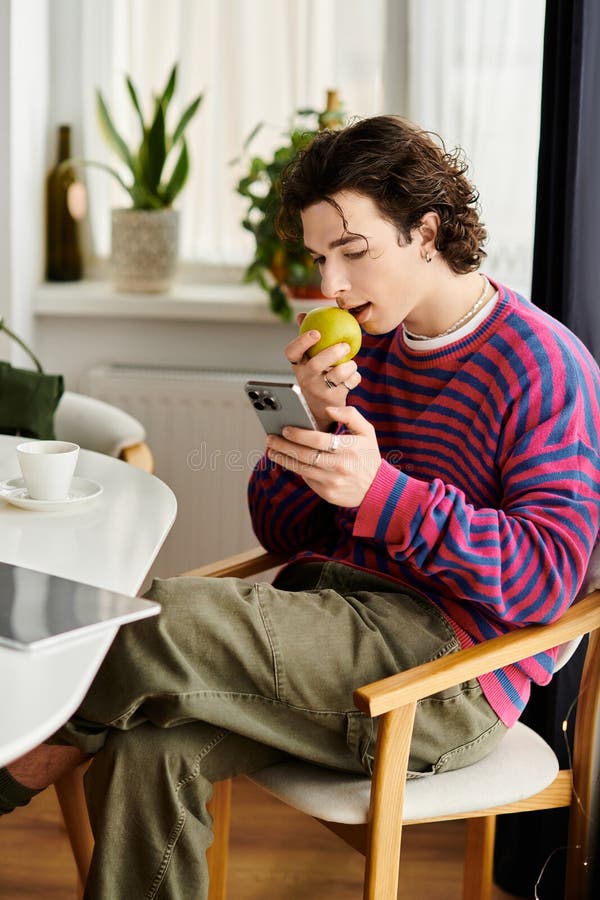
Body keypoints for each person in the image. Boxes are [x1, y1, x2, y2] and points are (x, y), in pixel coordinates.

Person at [1, 115, 599, 899]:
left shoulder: (542, 364)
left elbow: (549, 577)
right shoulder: (370, 352)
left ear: (427, 233)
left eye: (354, 253)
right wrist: (309, 426)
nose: (335, 286)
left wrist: (384, 495)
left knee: (149, 618)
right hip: (329, 621)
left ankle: (18, 770)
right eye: (322, 259)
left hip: (443, 676)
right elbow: (283, 532)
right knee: (148, 753)